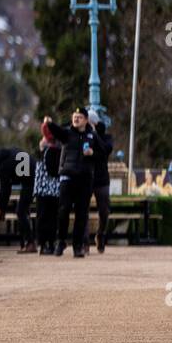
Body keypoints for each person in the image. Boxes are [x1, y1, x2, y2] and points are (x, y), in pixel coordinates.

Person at [44, 109, 102, 258]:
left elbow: (103, 153)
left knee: (81, 214)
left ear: (86, 120)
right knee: (63, 211)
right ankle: (61, 241)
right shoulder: (67, 133)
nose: (76, 119)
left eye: (79, 117)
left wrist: (92, 154)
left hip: (85, 179)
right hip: (68, 177)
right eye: (74, 117)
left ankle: (78, 246)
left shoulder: (92, 135)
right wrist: (49, 123)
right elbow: (55, 131)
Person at [0, 146, 36, 252]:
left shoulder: (2, 165)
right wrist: (1, 208)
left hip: (31, 180)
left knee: (20, 212)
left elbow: (5, 190)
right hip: (30, 176)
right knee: (23, 210)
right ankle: (27, 243)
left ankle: (30, 243)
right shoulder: (4, 153)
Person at [34, 125, 63, 255]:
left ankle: (45, 243)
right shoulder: (55, 150)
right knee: (51, 218)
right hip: (53, 190)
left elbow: (51, 171)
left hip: (45, 190)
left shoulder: (48, 152)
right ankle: (49, 243)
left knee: (44, 218)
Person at [90, 120, 114, 253]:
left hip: (102, 178)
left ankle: (100, 234)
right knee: (82, 211)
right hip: (87, 176)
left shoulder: (106, 138)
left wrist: (95, 134)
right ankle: (83, 242)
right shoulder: (85, 136)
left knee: (104, 211)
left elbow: (106, 150)